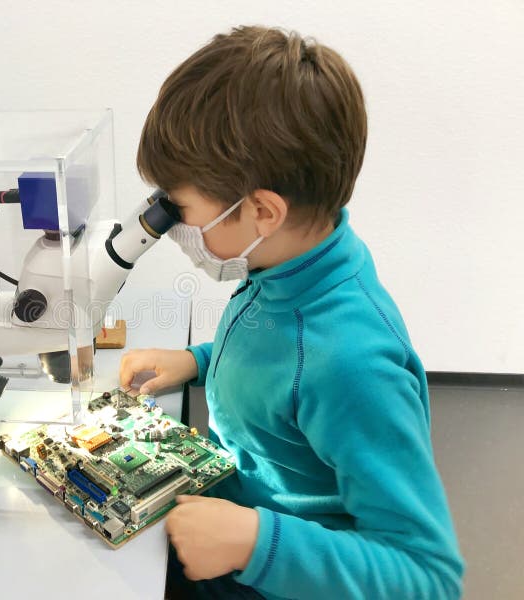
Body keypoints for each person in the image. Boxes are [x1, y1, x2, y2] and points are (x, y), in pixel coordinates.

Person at [119, 25, 464, 600]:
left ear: (261, 211)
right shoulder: (289, 268)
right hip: (231, 519)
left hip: (278, 573)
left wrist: (258, 543)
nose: (169, 227)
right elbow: (276, 362)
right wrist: (197, 360)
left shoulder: (352, 364)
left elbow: (428, 578)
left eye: (178, 209)